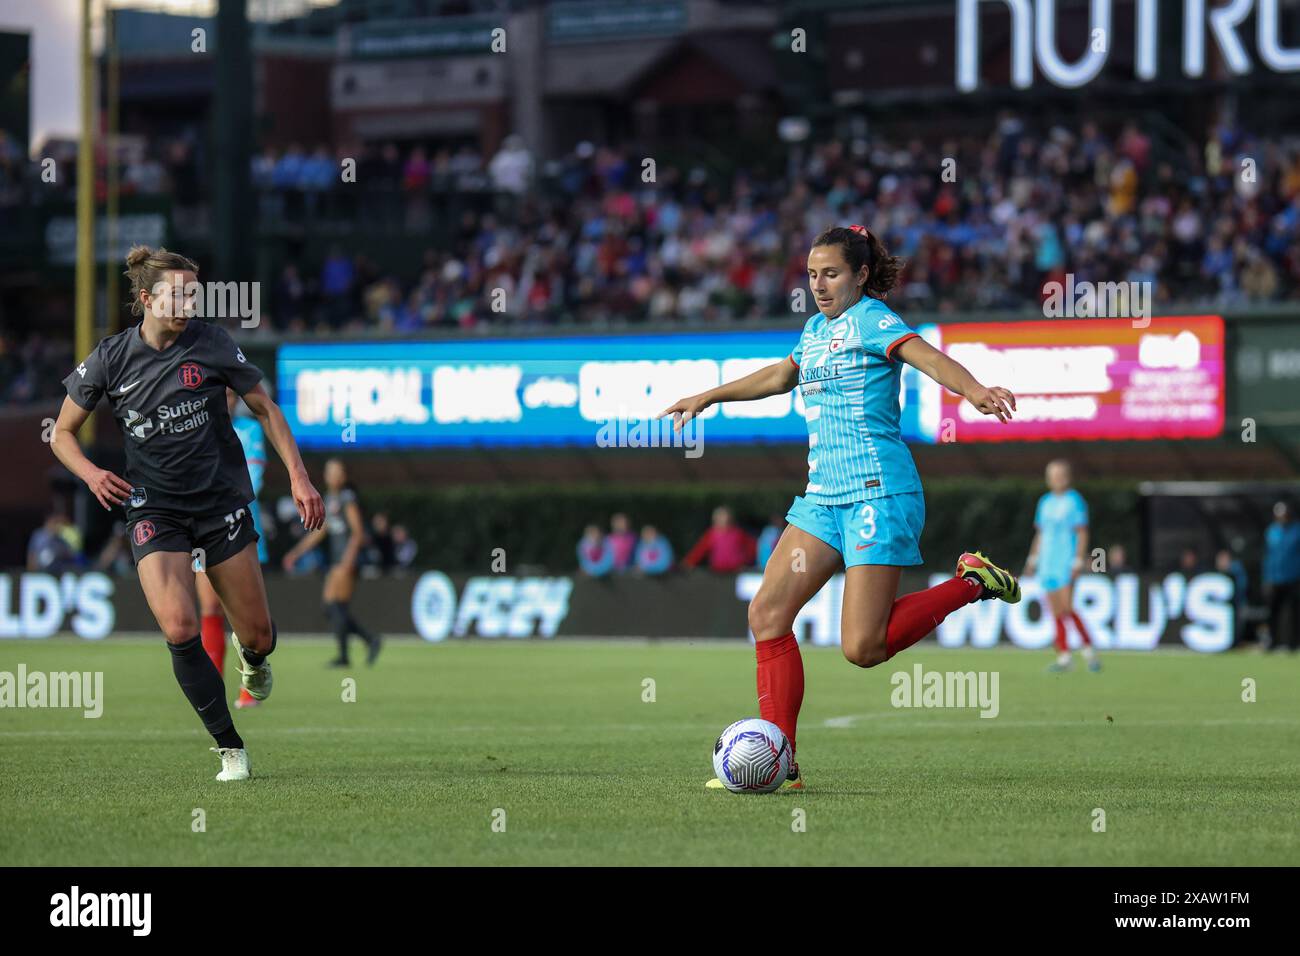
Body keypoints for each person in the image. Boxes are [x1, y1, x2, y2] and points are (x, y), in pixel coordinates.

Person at [660, 224, 1021, 791]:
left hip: (878, 491)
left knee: (863, 647)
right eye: (811, 275)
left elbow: (928, 358)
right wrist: (710, 395)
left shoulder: (874, 319)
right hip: (824, 499)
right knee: (767, 616)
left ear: (860, 275)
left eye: (830, 274)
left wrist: (973, 390)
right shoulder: (813, 330)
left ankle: (973, 581)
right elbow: (783, 375)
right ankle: (783, 760)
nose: (819, 285)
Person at [51, 245, 324, 782]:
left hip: (220, 503)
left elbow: (265, 408)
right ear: (147, 299)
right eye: (177, 294)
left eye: (193, 294)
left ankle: (256, 660)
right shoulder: (110, 358)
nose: (187, 303)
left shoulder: (213, 343)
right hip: (154, 508)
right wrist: (90, 473)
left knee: (260, 635)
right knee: (179, 626)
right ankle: (229, 747)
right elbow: (61, 433)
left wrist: (298, 475)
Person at [195, 388, 269, 710]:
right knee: (209, 608)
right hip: (203, 526)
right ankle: (213, 692)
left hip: (239, 522)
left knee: (242, 614)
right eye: (221, 393)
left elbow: (254, 476)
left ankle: (249, 686)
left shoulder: (248, 429)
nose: (227, 399)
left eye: (230, 394)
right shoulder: (197, 427)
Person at [281, 459, 382, 667]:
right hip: (337, 559)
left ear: (343, 476)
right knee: (331, 608)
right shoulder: (330, 498)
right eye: (329, 472)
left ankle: (347, 655)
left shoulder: (347, 498)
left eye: (335, 472)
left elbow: (358, 532)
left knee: (337, 607)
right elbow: (320, 532)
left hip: (347, 560)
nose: (331, 476)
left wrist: (348, 559)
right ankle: (369, 640)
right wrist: (296, 553)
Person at [1024, 460, 1100, 672]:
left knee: (1067, 607)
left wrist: (1078, 559)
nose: (1056, 479)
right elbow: (1040, 534)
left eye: (1060, 475)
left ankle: (1088, 650)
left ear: (1067, 477)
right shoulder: (1045, 502)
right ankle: (1064, 656)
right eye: (1053, 475)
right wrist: (1032, 560)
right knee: (1056, 611)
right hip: (1047, 562)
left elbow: (1082, 532)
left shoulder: (1075, 501)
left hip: (1065, 562)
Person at [1263, 501, 1300, 651]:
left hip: (1293, 578)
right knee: (1272, 612)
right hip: (1274, 579)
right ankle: (1273, 642)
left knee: (1293, 612)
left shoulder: (1297, 531)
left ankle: (1293, 643)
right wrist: (1266, 578)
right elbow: (1268, 556)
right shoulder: (1272, 531)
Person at [681, 506, 756, 573]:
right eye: (719, 518)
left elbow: (751, 547)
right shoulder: (711, 534)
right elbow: (700, 550)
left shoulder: (738, 533)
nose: (722, 520)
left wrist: (747, 562)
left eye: (724, 517)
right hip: (717, 571)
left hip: (735, 570)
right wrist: (689, 562)